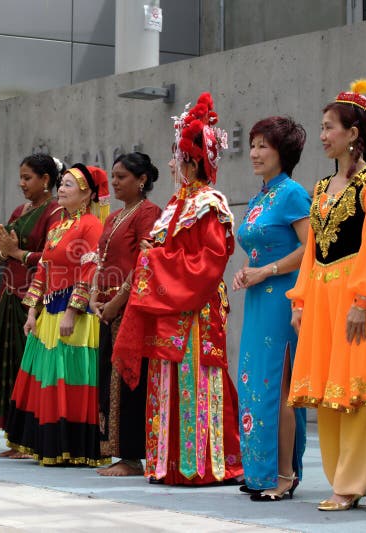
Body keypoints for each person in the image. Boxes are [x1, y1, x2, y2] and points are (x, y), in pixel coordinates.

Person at [113, 92, 244, 485]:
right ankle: (168, 460)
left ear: (192, 160)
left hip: (196, 311)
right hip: (169, 304)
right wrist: (155, 254)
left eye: (178, 157)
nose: (172, 163)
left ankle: (200, 463)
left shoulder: (210, 204)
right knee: (166, 380)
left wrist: (154, 260)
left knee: (195, 381)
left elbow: (208, 263)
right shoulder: (175, 204)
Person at [287, 80, 366, 511]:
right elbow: (312, 252)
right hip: (321, 296)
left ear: (353, 133)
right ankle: (341, 478)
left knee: (358, 389)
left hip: (357, 297)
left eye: (328, 127)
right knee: (330, 392)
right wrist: (300, 300)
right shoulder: (319, 189)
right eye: (320, 128)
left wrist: (362, 301)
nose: (322, 135)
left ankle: (352, 483)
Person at [6, 163, 109, 467]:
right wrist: (32, 311)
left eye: (68, 185)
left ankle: (74, 448)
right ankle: (49, 445)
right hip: (49, 311)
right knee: (49, 380)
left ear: (87, 193)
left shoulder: (90, 224)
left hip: (72, 314)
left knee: (69, 378)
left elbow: (89, 270)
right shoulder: (57, 226)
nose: (61, 190)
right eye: (61, 184)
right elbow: (42, 270)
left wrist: (72, 311)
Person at [232, 117, 310, 501]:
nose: (255, 153)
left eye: (264, 145)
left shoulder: (292, 193)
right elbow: (262, 246)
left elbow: (310, 249)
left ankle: (283, 475)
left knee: (276, 387)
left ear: (284, 152)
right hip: (259, 298)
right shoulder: (262, 196)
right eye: (253, 144)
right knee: (254, 384)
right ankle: (259, 471)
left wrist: (268, 270)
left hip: (284, 299)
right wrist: (248, 271)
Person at [0, 154, 64, 457]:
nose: (21, 183)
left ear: (46, 180)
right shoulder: (21, 210)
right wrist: (4, 253)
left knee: (26, 368)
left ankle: (28, 438)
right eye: (20, 177)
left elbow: (51, 257)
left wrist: (15, 252)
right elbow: (0, 254)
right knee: (7, 368)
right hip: (9, 294)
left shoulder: (55, 212)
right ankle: (14, 437)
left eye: (28, 177)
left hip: (33, 299)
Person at [93, 152, 162, 476]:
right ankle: (116, 452)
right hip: (106, 309)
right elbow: (101, 260)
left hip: (131, 309)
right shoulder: (113, 218)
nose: (116, 182)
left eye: (122, 177)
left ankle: (132, 457)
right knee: (108, 380)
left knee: (128, 380)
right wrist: (95, 296)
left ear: (142, 180)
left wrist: (117, 302)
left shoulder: (149, 213)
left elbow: (143, 264)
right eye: (114, 176)